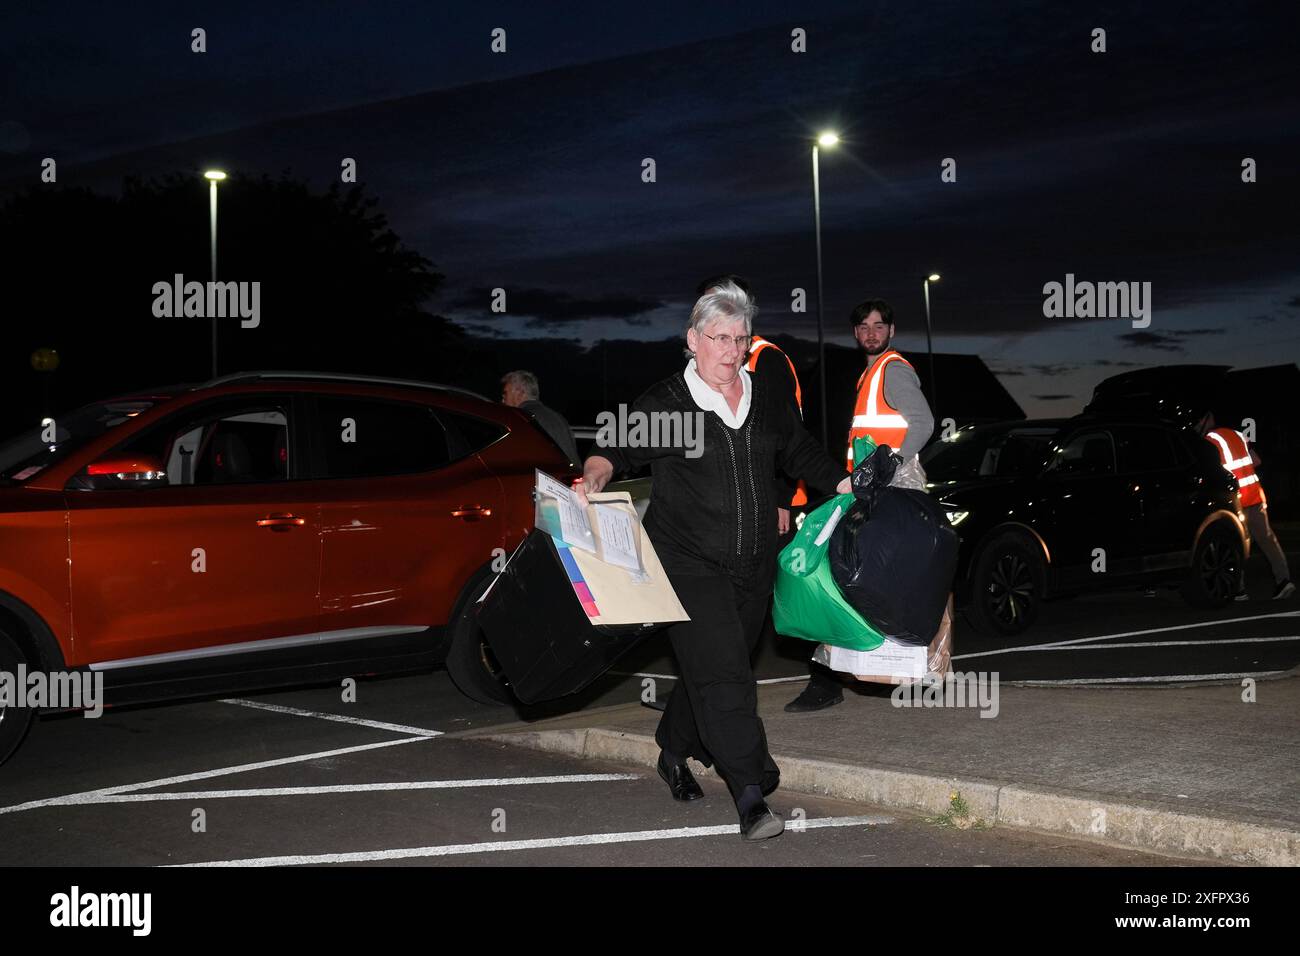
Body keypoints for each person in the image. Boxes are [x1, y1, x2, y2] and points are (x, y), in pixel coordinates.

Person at [576, 280, 850, 841]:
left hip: (754, 563)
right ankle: (751, 794)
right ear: (692, 340)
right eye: (718, 338)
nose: (730, 350)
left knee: (715, 665)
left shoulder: (764, 394)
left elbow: (798, 451)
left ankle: (673, 749)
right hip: (687, 562)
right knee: (727, 675)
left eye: (740, 338)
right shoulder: (672, 404)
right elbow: (614, 448)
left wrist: (849, 483)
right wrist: (595, 474)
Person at [785, 297, 936, 713]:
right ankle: (839, 675)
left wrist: (891, 463)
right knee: (857, 579)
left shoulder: (893, 370)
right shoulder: (869, 375)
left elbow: (923, 423)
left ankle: (831, 679)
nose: (871, 333)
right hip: (870, 491)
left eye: (879, 326)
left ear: (891, 330)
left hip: (888, 493)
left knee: (848, 576)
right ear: (855, 333)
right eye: (863, 327)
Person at [1199, 412, 1294, 600]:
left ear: (1205, 421)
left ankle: (1238, 589)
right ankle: (1284, 581)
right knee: (1267, 539)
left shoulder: (1209, 441)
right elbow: (1256, 460)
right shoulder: (1238, 434)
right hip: (1255, 494)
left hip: (1236, 498)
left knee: (1236, 541)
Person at [501, 369, 579, 464]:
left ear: (519, 392)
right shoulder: (558, 418)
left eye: (505, 393)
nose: (503, 400)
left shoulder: (522, 418)